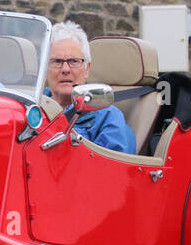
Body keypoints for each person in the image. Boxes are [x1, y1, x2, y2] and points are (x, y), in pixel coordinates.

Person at [44, 20, 136, 154]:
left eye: (74, 61)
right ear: (45, 69)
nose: (65, 69)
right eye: (57, 61)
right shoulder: (31, 111)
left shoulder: (108, 118)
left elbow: (113, 171)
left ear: (87, 69)